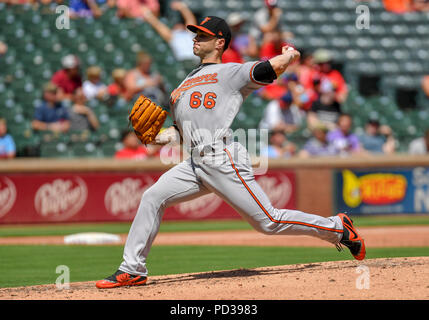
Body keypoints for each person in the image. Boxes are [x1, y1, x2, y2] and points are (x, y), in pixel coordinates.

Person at [96, 16, 365, 289]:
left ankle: (338, 228)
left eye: (202, 36)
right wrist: (156, 137)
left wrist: (289, 56)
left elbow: (268, 68)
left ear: (219, 42)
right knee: (152, 197)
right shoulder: (182, 85)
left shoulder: (230, 73)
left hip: (222, 157)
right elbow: (180, 133)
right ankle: (132, 269)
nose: (195, 39)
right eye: (195, 35)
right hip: (196, 162)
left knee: (268, 221)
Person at [141, 1, 200, 72]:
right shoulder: (173, 36)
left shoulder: (189, 33)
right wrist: (148, 14)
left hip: (197, 61)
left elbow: (190, 19)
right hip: (184, 63)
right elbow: (158, 26)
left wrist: (182, 7)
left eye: (180, 23)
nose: (178, 24)